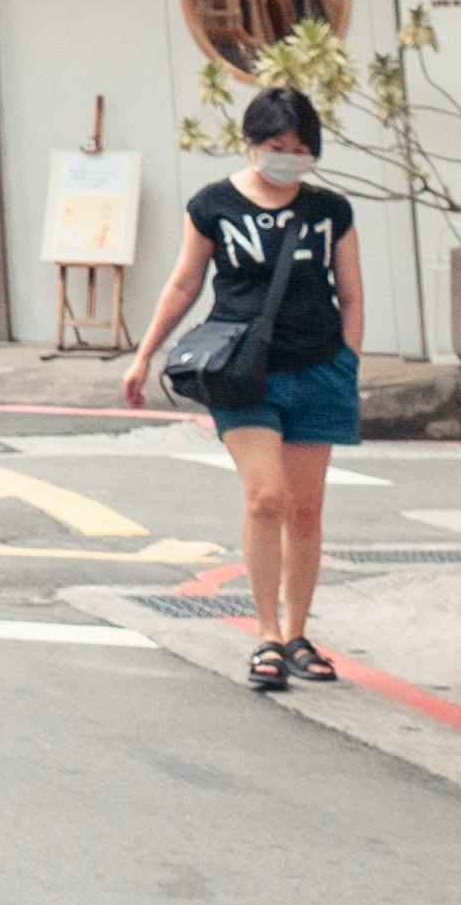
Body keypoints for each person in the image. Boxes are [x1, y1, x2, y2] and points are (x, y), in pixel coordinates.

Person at [140, 85, 361, 694]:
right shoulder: (212, 205)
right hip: (243, 371)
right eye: (275, 146)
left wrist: (348, 360)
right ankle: (265, 634)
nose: (287, 157)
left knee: (307, 509)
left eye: (300, 148)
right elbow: (185, 283)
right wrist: (144, 354)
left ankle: (297, 634)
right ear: (251, 143)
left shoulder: (330, 210)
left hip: (318, 366)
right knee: (267, 497)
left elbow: (352, 291)